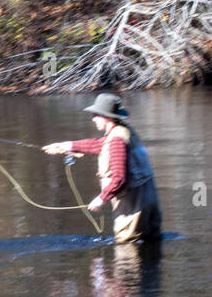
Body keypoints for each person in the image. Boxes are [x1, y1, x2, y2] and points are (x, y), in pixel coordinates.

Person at [43, 93, 162, 244]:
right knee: (149, 248)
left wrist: (101, 199)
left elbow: (119, 178)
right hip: (148, 201)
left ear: (108, 117)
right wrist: (65, 146)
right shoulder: (122, 131)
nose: (93, 118)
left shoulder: (117, 140)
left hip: (134, 208)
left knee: (128, 249)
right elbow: (100, 144)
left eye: (96, 115)